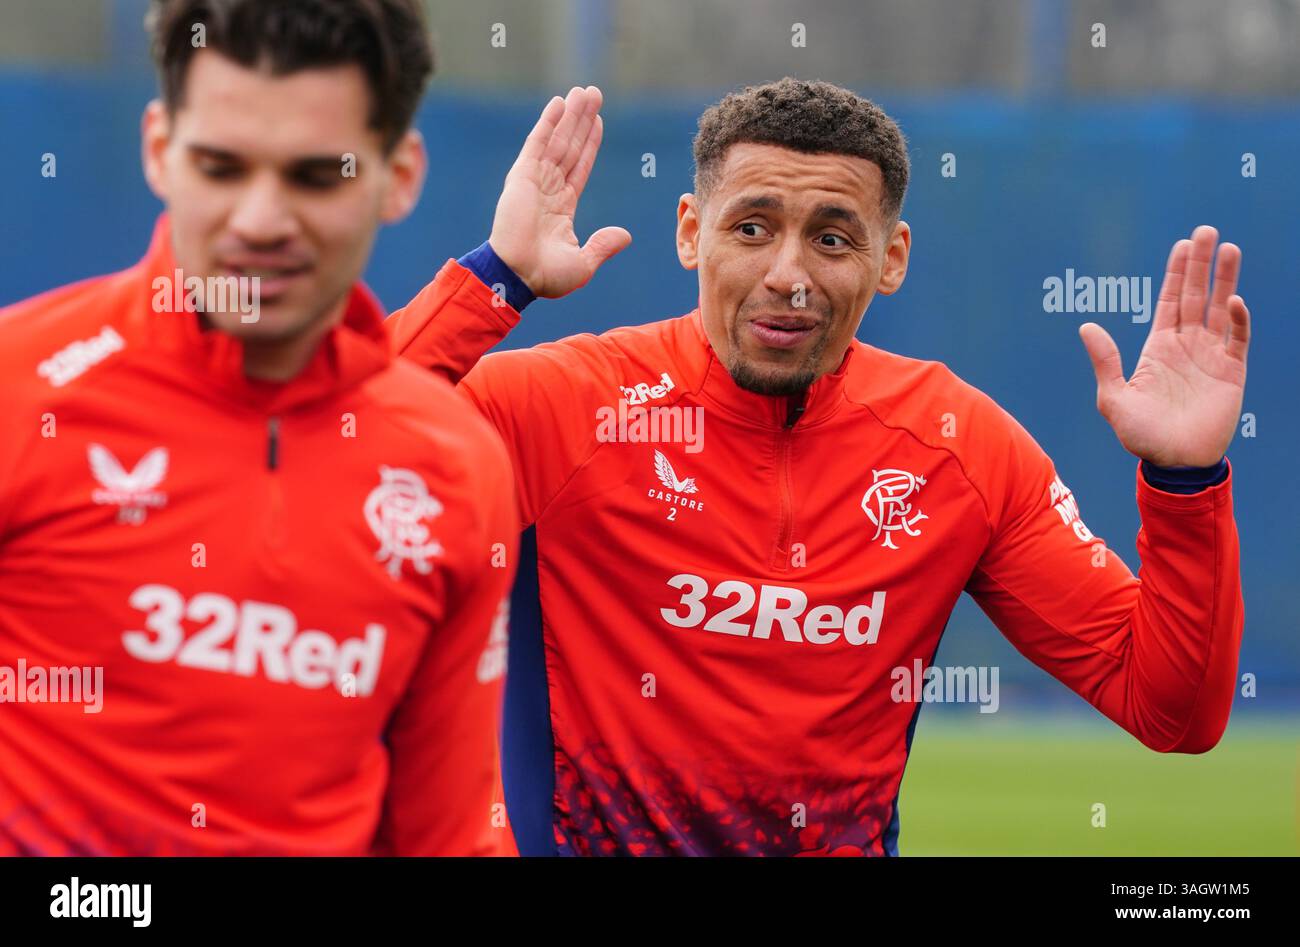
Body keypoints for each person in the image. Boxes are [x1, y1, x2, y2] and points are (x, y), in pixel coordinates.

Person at [386, 80, 1250, 856]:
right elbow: (342, 448)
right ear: (693, 233)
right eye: (752, 228)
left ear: (893, 257)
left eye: (832, 239)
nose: (789, 277)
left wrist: (1186, 484)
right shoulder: (559, 406)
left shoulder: (960, 445)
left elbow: (1171, 708)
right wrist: (493, 280)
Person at [0, 0, 516, 855]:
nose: (260, 221)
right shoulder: (18, 388)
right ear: (160, 150)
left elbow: (447, 833)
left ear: (400, 176)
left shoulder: (456, 469)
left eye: (316, 176)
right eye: (221, 166)